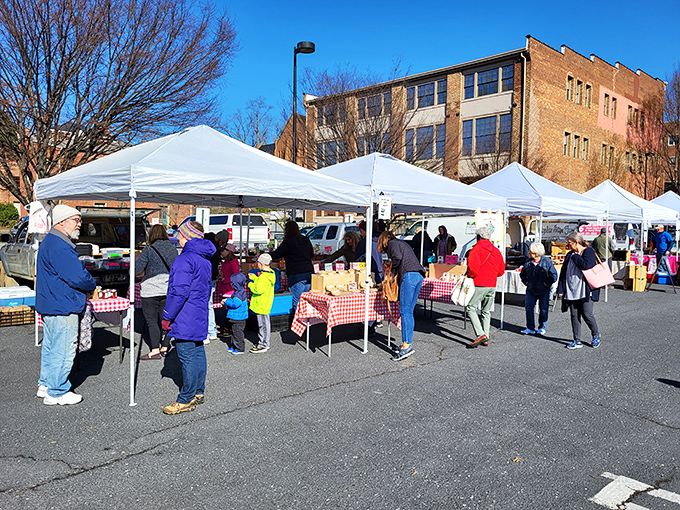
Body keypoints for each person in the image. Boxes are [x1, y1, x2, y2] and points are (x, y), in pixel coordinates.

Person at [36, 205, 97, 406]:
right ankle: (57, 391)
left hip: (52, 302)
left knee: (52, 346)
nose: (79, 224)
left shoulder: (51, 241)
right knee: (63, 348)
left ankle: (46, 384)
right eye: (75, 220)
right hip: (63, 303)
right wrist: (91, 284)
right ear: (62, 221)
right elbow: (77, 276)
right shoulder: (60, 245)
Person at [161, 221, 215, 415]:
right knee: (198, 352)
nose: (178, 238)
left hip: (185, 312)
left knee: (188, 356)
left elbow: (178, 291)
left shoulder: (185, 259)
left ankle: (186, 398)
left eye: (180, 235)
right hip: (199, 310)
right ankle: (198, 392)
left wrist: (167, 315)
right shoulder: (204, 259)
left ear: (187, 236)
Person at [377, 231, 425, 361]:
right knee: (409, 311)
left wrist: (391, 269)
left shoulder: (392, 244)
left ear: (383, 241)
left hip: (409, 276)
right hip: (418, 275)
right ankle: (407, 342)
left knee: (405, 311)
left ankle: (406, 346)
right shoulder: (401, 242)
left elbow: (397, 258)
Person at [136, 224, 179, 360]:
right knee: (166, 319)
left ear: (151, 235)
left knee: (151, 321)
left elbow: (137, 270)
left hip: (150, 289)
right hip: (168, 289)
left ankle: (154, 350)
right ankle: (165, 346)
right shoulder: (173, 250)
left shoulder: (148, 250)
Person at [557, 231, 601, 350]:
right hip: (572, 289)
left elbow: (587, 265)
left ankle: (596, 334)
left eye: (570, 243)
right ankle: (577, 340)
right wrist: (560, 288)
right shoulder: (570, 254)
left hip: (586, 289)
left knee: (587, 314)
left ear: (576, 242)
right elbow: (563, 272)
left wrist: (576, 256)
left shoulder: (589, 251)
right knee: (574, 316)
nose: (568, 245)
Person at [465, 227, 506, 349]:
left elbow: (472, 268)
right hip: (492, 284)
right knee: (486, 311)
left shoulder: (476, 249)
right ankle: (485, 336)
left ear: (478, 237)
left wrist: (471, 276)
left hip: (479, 283)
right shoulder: (496, 250)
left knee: (471, 307)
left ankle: (481, 334)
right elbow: (501, 270)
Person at [271, 221, 314, 310]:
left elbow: (277, 254)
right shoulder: (305, 239)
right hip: (309, 273)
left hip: (296, 275)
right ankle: (307, 322)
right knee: (306, 300)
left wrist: (265, 255)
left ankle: (298, 322)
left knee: (297, 301)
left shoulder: (288, 242)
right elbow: (311, 254)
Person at [519, 242, 558, 335]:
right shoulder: (528, 261)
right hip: (531, 289)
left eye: (531, 251)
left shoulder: (547, 262)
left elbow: (554, 275)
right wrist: (527, 283)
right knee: (529, 307)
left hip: (544, 290)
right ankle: (530, 327)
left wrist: (546, 284)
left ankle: (542, 326)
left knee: (543, 309)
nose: (529, 253)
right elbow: (522, 273)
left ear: (536, 253)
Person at [248, 253, 276, 353]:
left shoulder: (264, 277)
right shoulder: (270, 274)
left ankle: (264, 344)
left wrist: (251, 283)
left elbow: (257, 289)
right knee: (263, 324)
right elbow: (262, 284)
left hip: (262, 304)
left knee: (263, 325)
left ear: (261, 264)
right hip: (265, 303)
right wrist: (255, 278)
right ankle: (264, 342)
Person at [222, 273, 248, 355]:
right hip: (236, 317)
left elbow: (235, 304)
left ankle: (240, 348)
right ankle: (234, 346)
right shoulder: (239, 292)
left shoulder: (239, 294)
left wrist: (226, 301)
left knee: (238, 333)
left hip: (238, 318)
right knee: (234, 332)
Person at [354, 220, 384, 284]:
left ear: (362, 230)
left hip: (369, 272)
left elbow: (358, 258)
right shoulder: (380, 240)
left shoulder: (364, 242)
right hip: (381, 269)